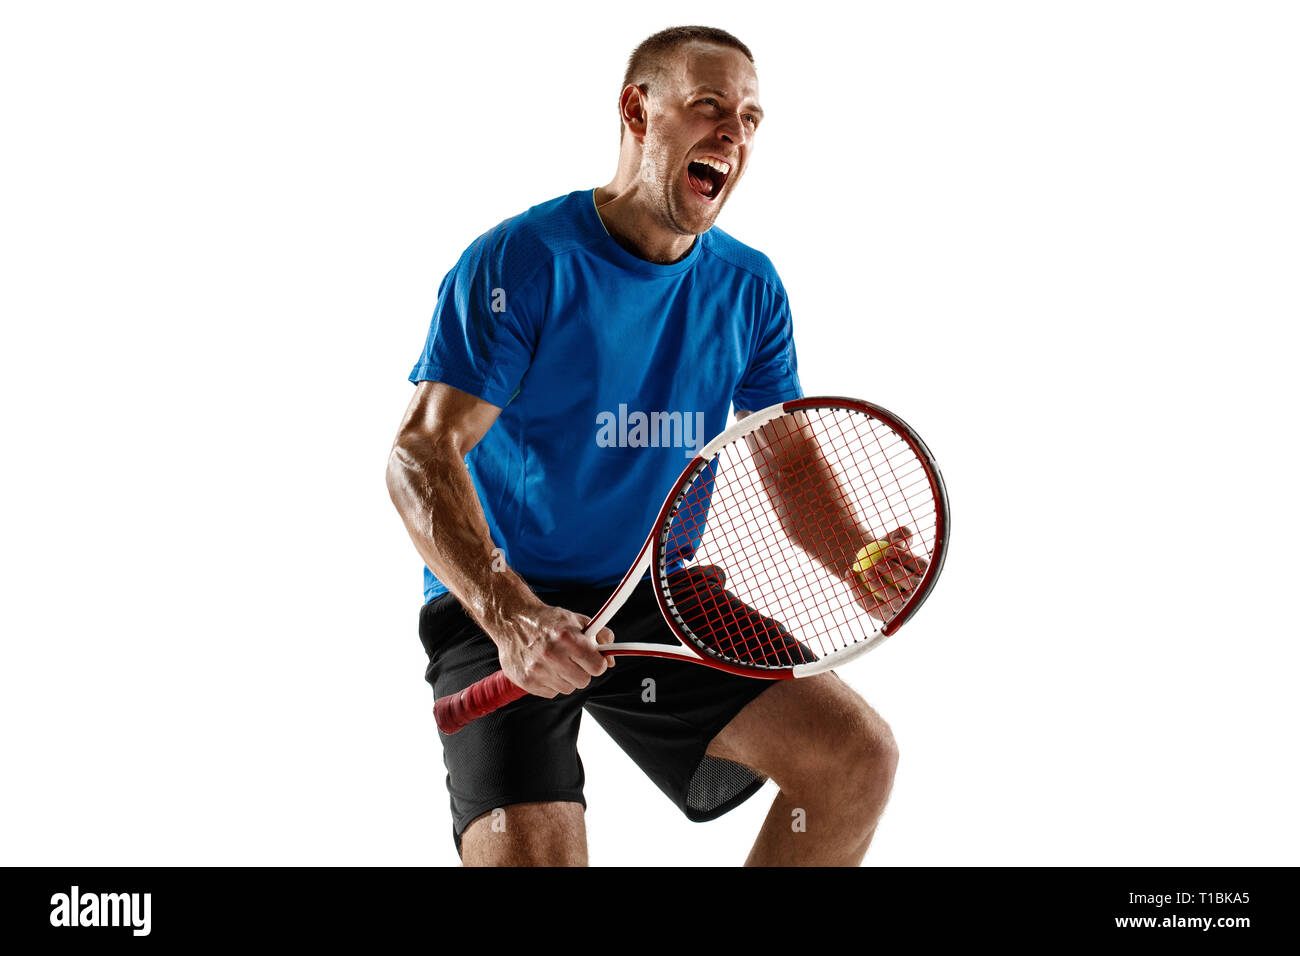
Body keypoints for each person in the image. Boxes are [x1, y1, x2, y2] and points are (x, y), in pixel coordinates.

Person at [387, 25, 903, 866]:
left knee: (854, 759)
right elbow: (420, 455)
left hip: (654, 592)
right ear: (638, 109)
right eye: (709, 108)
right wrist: (512, 615)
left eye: (750, 118)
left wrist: (857, 555)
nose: (733, 135)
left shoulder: (749, 288)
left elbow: (789, 457)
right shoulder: (521, 263)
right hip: (505, 593)